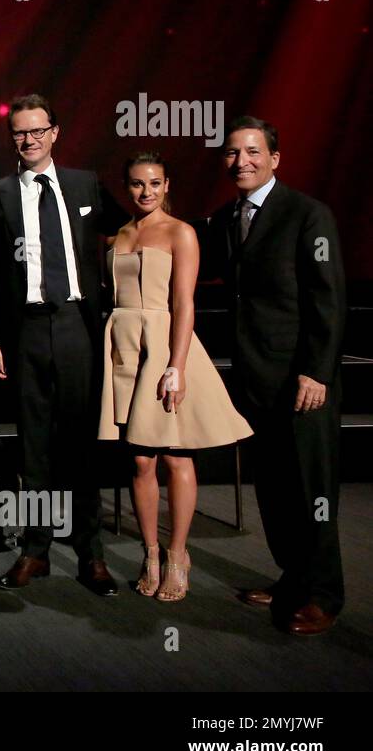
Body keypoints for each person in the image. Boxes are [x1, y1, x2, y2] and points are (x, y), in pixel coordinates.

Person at [0, 93, 127, 595]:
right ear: (12, 137)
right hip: (26, 332)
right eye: (20, 132)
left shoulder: (85, 185)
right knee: (33, 449)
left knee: (81, 446)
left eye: (38, 130)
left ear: (54, 133)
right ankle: (34, 551)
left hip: (76, 326)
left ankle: (92, 555)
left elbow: (132, 228)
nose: (29, 140)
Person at [202, 118, 345, 635]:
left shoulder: (308, 215)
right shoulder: (225, 219)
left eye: (253, 151)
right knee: (276, 490)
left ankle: (323, 596)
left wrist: (317, 372)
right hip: (255, 380)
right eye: (233, 152)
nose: (242, 161)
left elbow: (327, 300)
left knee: (313, 491)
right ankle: (293, 579)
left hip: (303, 382)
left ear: (275, 158)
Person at [99, 152, 251, 601]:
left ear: (168, 186)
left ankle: (178, 554)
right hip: (123, 346)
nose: (145, 191)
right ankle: (149, 553)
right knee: (140, 460)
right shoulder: (117, 236)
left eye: (154, 183)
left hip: (165, 345)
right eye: (136, 184)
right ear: (126, 188)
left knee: (175, 456)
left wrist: (176, 366)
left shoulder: (182, 233)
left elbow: (185, 304)